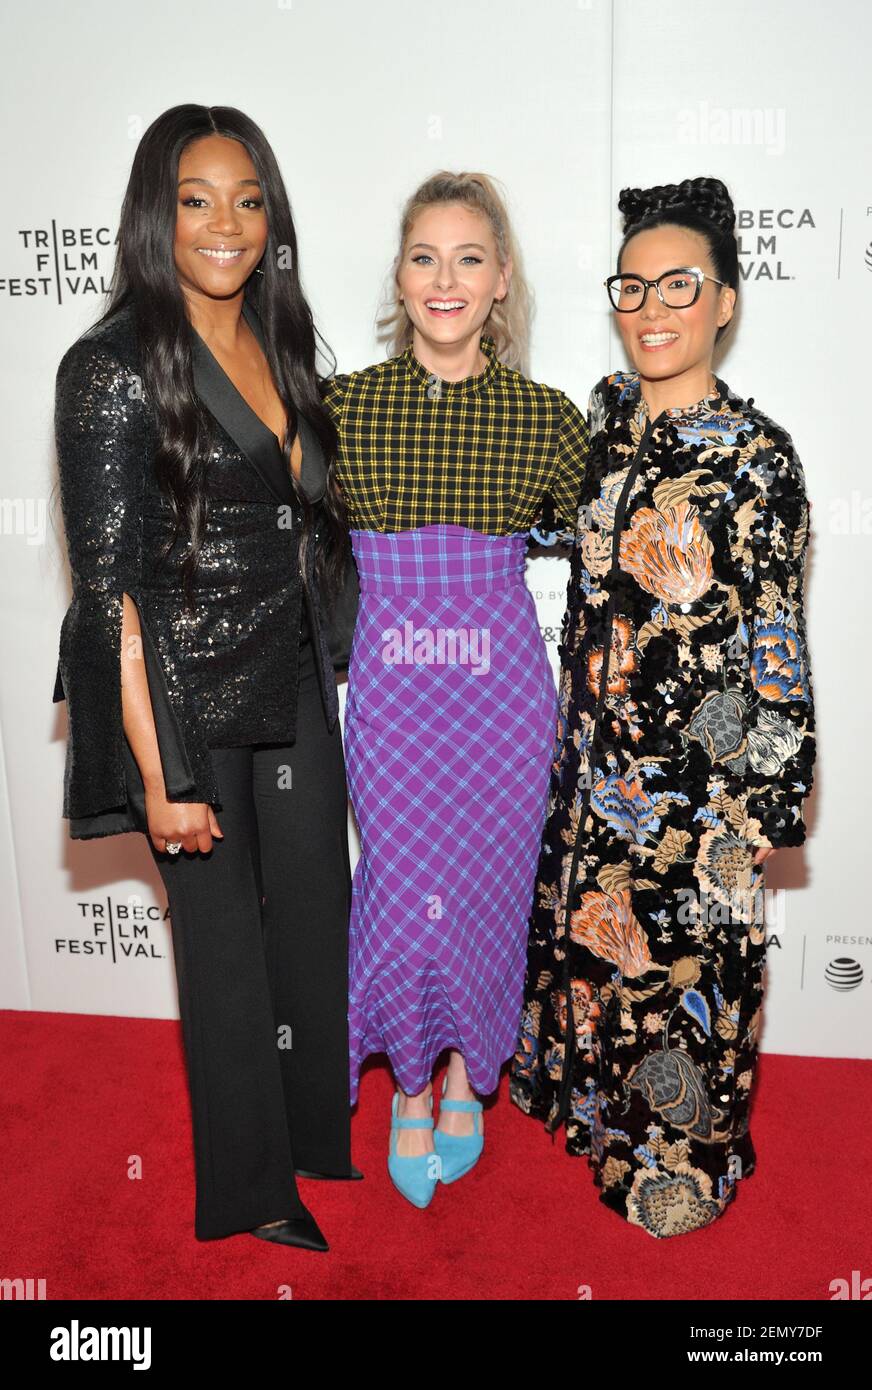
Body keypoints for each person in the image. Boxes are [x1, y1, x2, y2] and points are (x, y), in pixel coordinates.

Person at [52, 104, 360, 1250]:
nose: (225, 223)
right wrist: (158, 769)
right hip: (184, 698)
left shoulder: (283, 338)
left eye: (246, 199)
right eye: (195, 199)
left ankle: (309, 1131)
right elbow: (110, 591)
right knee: (224, 949)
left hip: (289, 681)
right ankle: (251, 1189)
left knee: (314, 915)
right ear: (154, 213)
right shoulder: (110, 368)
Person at [509, 176, 816, 1238]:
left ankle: (676, 1166)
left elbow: (775, 637)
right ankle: (598, 1123)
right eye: (631, 286)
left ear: (722, 300)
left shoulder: (754, 458)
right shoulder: (596, 420)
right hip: (595, 769)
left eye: (677, 285)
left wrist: (765, 811)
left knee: (686, 981)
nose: (650, 308)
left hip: (700, 787)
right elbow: (550, 541)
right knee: (596, 963)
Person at [321, 171, 589, 1207]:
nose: (445, 279)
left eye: (467, 258)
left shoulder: (546, 420)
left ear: (500, 278)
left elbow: (593, 548)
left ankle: (456, 1073)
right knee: (397, 887)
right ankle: (401, 1074)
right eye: (424, 257)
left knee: (482, 892)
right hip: (393, 690)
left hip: (501, 698)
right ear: (399, 275)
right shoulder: (342, 408)